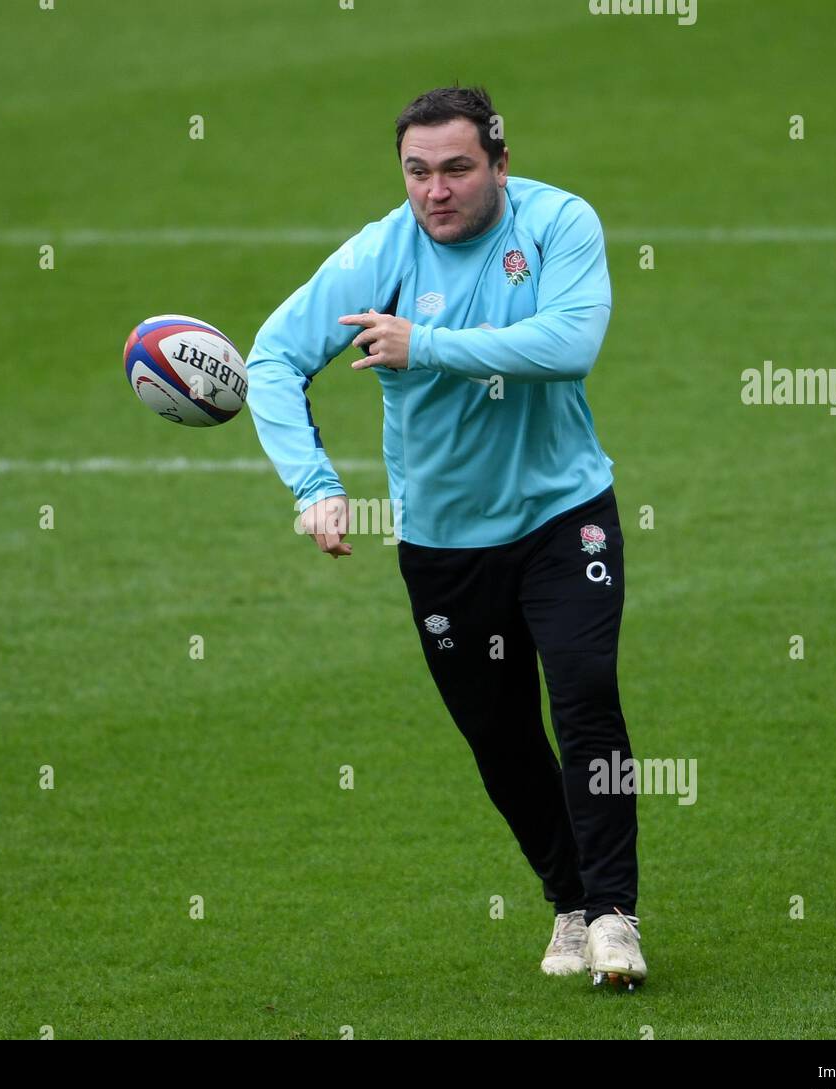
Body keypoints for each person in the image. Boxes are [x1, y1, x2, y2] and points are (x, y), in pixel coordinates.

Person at [245, 86, 646, 988]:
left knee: (584, 695)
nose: (437, 191)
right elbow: (269, 355)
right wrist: (313, 485)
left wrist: (424, 344)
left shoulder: (556, 224)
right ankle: (571, 901)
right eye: (418, 172)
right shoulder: (379, 254)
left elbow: (570, 342)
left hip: (564, 512)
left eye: (458, 168)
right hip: (446, 544)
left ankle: (617, 913)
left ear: (500, 163)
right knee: (499, 736)